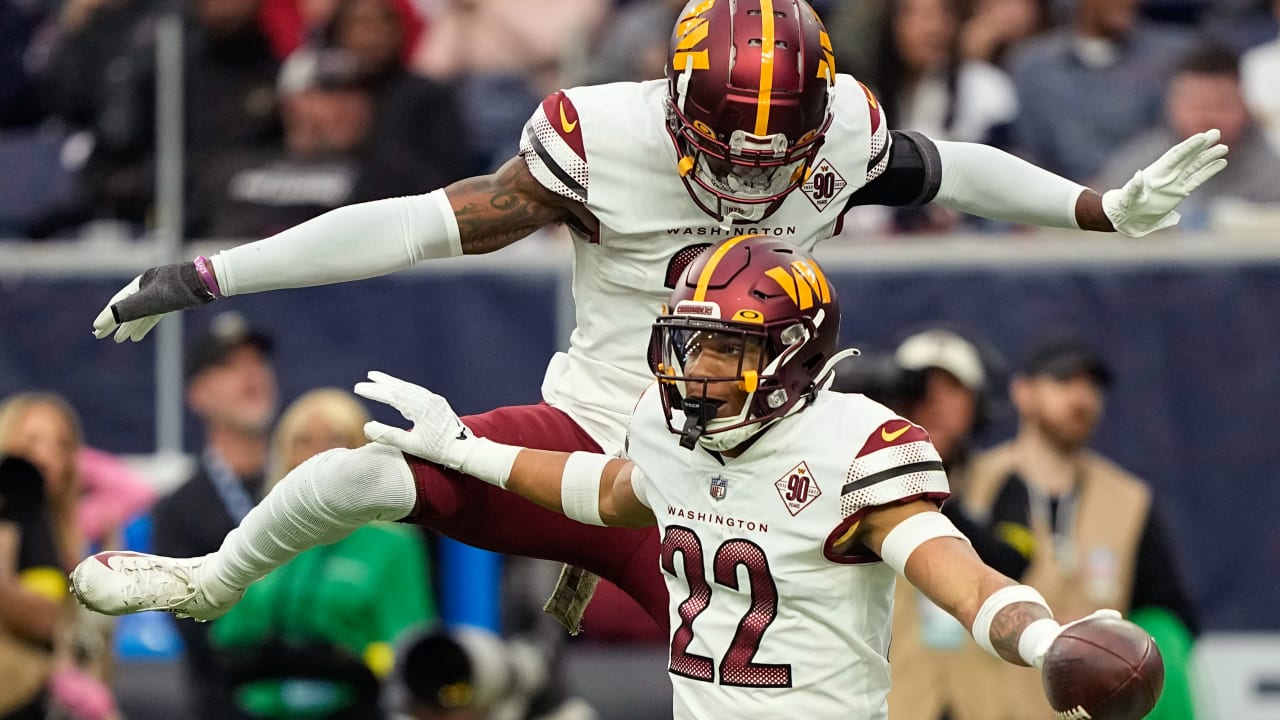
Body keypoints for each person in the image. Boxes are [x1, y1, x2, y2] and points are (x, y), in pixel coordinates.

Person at [75, 0, 1225, 641]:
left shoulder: (841, 131)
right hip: (598, 432)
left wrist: (1096, 209)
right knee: (367, 472)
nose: (747, 178)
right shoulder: (601, 137)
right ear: (671, 111)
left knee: (764, 675)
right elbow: (417, 224)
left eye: (775, 159)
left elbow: (944, 170)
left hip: (759, 457)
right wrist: (211, 276)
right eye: (722, 152)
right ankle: (214, 576)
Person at [346, 236, 1120, 717]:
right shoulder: (664, 424)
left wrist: (1047, 641)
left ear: (795, 357)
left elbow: (971, 583)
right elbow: (608, 492)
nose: (697, 372)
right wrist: (462, 449)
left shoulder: (852, 445)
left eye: (726, 349)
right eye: (689, 345)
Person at [962, 330, 1199, 719]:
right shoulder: (970, 487)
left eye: (1091, 386)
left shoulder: (1127, 499)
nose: (1081, 398)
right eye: (1063, 381)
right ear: (1022, 392)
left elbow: (1168, 620)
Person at [209, 388, 436, 719]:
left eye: (336, 438)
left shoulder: (392, 543)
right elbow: (226, 632)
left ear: (362, 450)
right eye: (304, 441)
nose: (319, 454)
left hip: (357, 709)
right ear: (284, 453)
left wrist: (353, 662)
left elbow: (409, 646)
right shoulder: (261, 534)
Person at [150, 311, 279, 719]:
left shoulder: (310, 486)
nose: (251, 376)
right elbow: (199, 632)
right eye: (229, 366)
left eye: (257, 363)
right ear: (198, 395)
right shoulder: (178, 511)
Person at [1094, 43, 1280, 225]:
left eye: (1220, 105)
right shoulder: (1139, 165)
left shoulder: (1273, 172)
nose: (1207, 118)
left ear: (1246, 106)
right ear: (1171, 105)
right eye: (1195, 105)